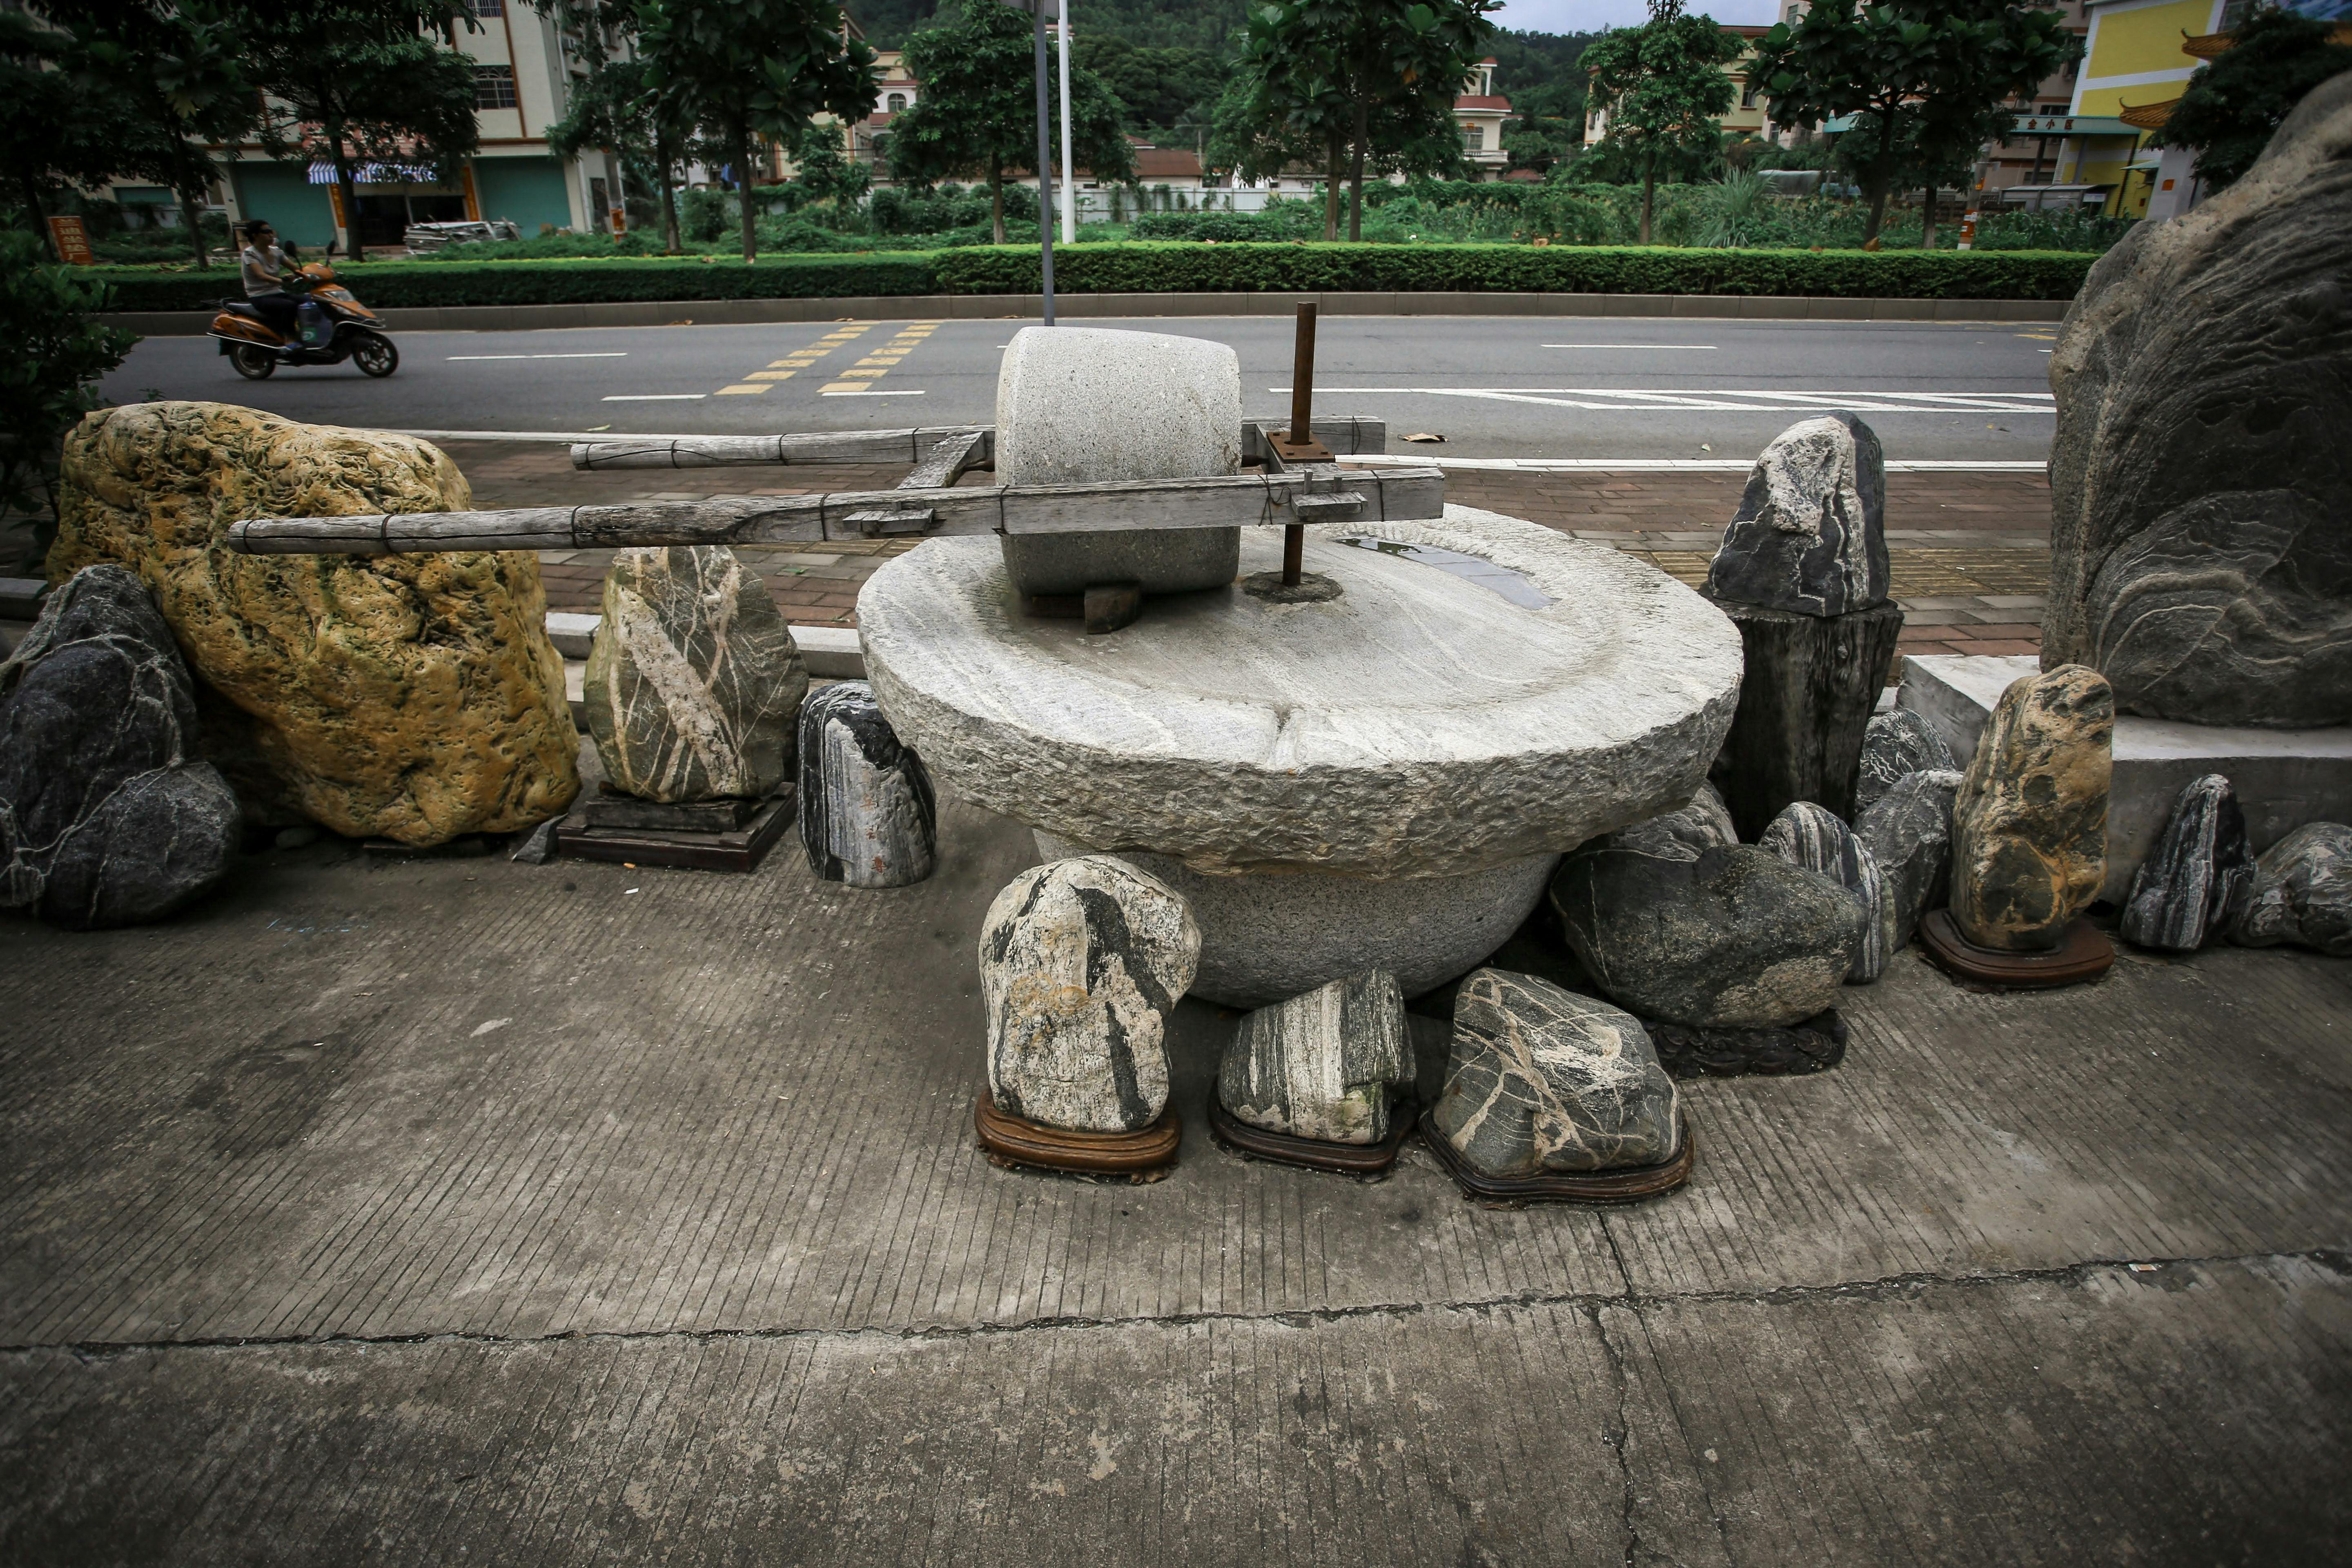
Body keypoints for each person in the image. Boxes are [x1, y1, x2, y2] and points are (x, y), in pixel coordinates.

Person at [238, 220, 301, 340]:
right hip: (259, 296)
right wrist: (282, 281)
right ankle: (289, 337)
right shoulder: (250, 255)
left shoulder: (276, 252)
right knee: (290, 306)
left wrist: (310, 274)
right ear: (255, 235)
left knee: (310, 300)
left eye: (271, 232)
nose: (271, 235)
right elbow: (261, 275)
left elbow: (296, 269)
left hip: (278, 293)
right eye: (266, 232)